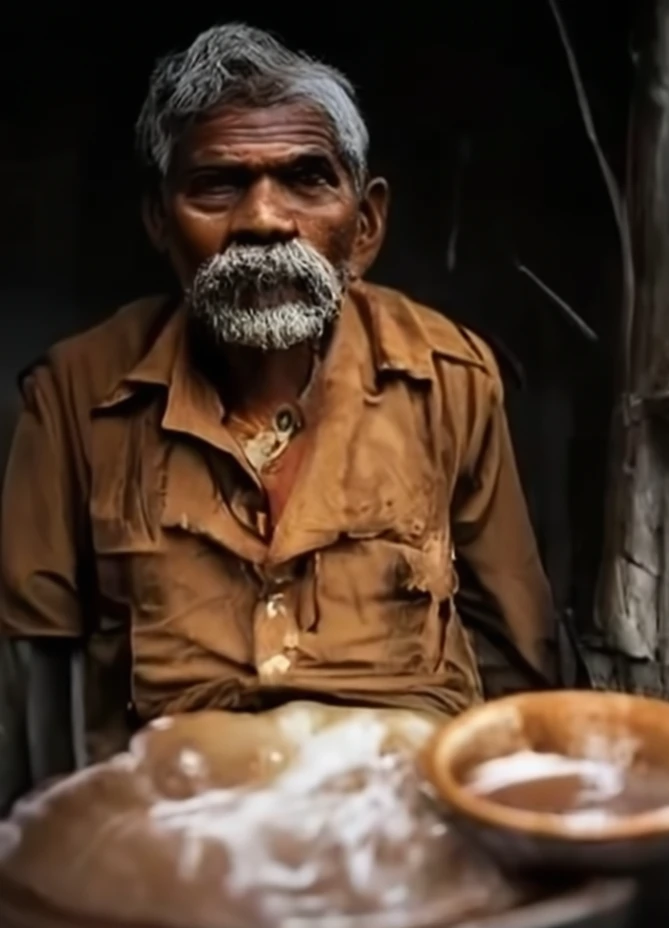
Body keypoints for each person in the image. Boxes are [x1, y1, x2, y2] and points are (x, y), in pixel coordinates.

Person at [0, 23, 556, 793]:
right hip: (181, 819)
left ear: (366, 225)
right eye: (218, 184)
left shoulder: (452, 378)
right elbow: (31, 683)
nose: (263, 219)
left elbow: (517, 654)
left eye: (306, 179)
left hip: (394, 807)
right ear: (158, 219)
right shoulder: (74, 394)